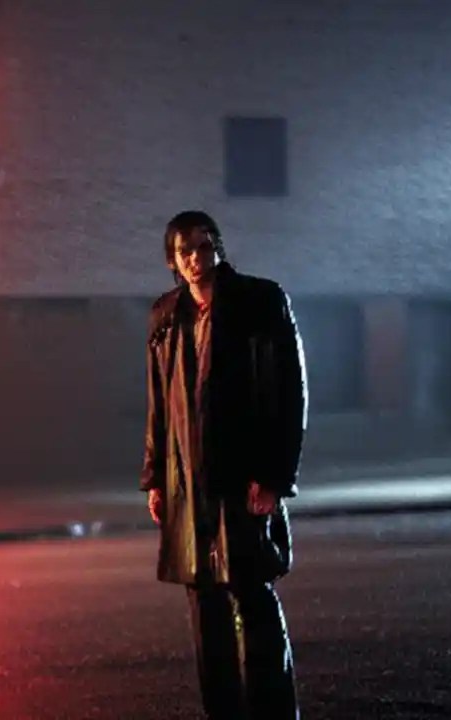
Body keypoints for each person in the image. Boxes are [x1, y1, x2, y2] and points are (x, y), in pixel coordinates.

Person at [141, 210, 307, 719]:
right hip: (187, 481)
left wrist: (276, 475)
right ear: (172, 260)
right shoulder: (167, 316)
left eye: (202, 246)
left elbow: (288, 391)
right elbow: (159, 402)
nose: (194, 258)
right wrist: (155, 477)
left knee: (252, 595)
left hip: (242, 476)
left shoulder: (259, 301)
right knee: (205, 608)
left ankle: (273, 712)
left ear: (218, 247)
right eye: (183, 250)